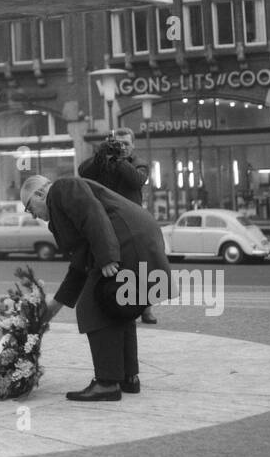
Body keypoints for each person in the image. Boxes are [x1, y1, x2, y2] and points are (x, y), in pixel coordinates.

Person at [21, 174, 169, 401]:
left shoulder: (62, 188)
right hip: (138, 240)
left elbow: (93, 214)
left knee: (92, 307)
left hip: (126, 243)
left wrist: (108, 256)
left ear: (41, 194)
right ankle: (128, 378)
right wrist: (53, 308)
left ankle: (107, 383)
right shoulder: (62, 208)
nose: (33, 215)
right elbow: (80, 263)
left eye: (30, 208)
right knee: (120, 307)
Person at [78, 128, 156, 323]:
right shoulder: (105, 161)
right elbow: (83, 172)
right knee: (112, 264)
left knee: (139, 267)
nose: (122, 147)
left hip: (133, 223)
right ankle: (115, 304)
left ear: (133, 145)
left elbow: (137, 180)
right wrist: (101, 154)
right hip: (109, 222)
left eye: (126, 144)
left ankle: (145, 308)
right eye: (118, 144)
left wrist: (119, 159)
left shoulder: (139, 163)